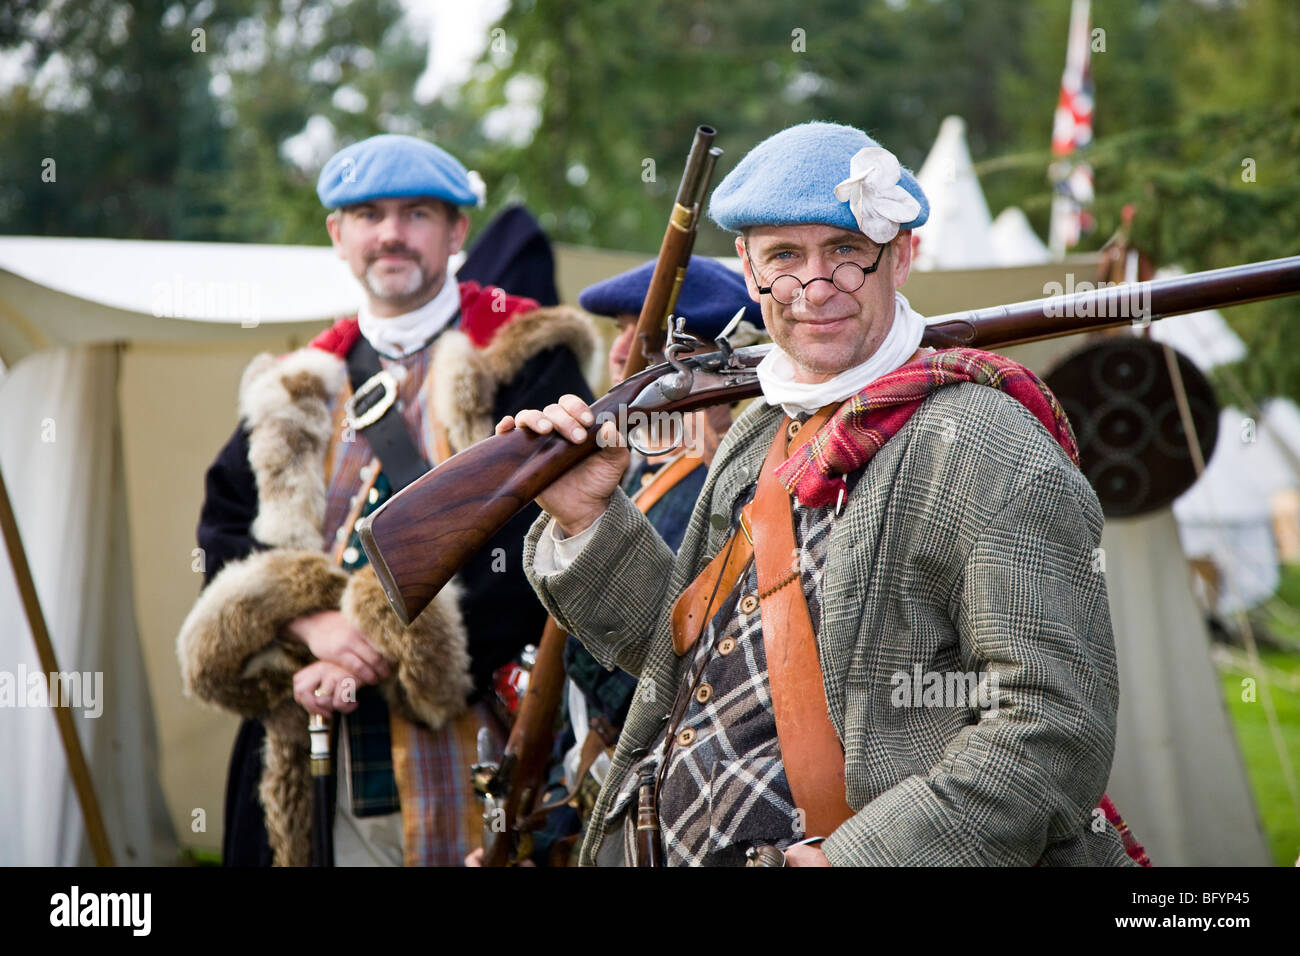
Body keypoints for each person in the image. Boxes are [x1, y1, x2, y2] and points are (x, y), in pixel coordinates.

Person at [499, 122, 1144, 866]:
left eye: (846, 254)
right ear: (747, 270)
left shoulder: (990, 447)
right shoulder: (760, 432)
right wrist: (588, 517)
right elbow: (688, 660)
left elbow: (1051, 728)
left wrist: (859, 859)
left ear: (901, 255)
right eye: (784, 257)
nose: (814, 288)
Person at [177, 133, 595, 867]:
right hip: (310, 729)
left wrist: (372, 645)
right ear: (339, 235)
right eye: (367, 214)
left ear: (456, 230)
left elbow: (538, 547)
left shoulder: (527, 362)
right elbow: (222, 538)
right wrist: (309, 631)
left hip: (471, 737)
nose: (391, 234)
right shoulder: (293, 387)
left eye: (417, 213)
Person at [474, 256, 765, 866]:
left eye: (652, 338)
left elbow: (664, 676)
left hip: (668, 803)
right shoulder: (623, 478)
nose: (623, 351)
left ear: (715, 361)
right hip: (583, 798)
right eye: (620, 330)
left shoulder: (722, 492)